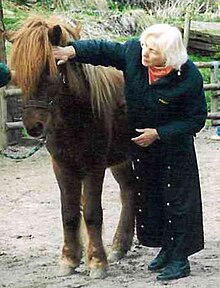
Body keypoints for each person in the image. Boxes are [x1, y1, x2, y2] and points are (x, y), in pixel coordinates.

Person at [52, 24, 207, 281]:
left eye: (152, 50)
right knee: (154, 198)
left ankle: (180, 259)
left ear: (168, 54)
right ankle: (167, 250)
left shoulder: (189, 77)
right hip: (144, 149)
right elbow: (104, 50)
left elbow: (196, 119)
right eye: (144, 46)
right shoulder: (135, 54)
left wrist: (158, 133)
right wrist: (71, 50)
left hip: (174, 148)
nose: (144, 53)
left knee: (179, 201)